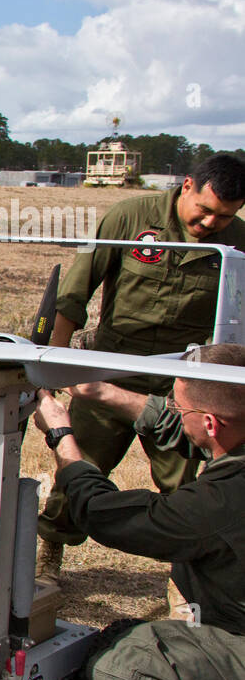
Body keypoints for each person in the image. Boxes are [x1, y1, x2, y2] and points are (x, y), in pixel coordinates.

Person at [33, 343, 245, 680]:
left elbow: (114, 516)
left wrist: (61, 439)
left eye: (178, 403)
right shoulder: (234, 434)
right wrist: (102, 391)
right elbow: (186, 425)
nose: (173, 409)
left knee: (122, 672)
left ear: (210, 422)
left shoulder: (225, 499)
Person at [37, 154, 245, 584]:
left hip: (184, 379)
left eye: (223, 217)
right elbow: (76, 293)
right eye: (204, 210)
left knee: (185, 485)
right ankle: (50, 556)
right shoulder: (130, 217)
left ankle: (185, 580)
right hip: (112, 367)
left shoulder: (237, 243)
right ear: (187, 186)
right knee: (79, 464)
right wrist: (52, 371)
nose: (209, 224)